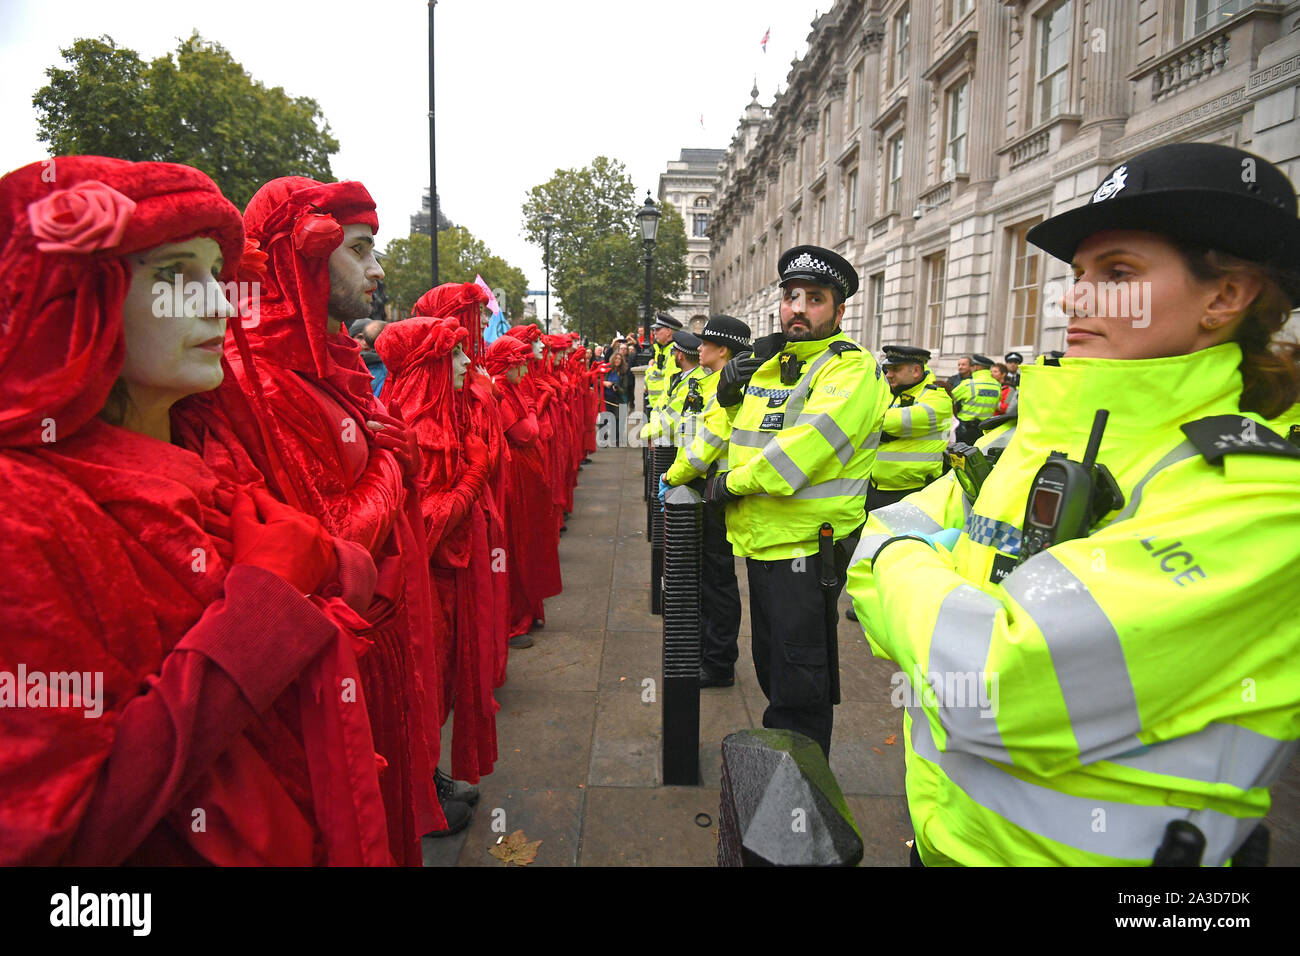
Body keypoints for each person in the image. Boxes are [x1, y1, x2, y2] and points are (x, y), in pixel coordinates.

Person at [846, 141, 1300, 866]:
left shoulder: (1266, 492)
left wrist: (898, 565)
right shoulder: (1033, 435)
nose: (1071, 299)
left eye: (1117, 274)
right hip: (944, 842)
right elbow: (886, 542)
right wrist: (922, 590)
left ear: (1225, 296)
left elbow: (992, 684)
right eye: (1080, 274)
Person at [0, 156, 392, 865]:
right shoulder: (23, 514)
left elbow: (338, 560)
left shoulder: (208, 447)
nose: (217, 303)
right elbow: (58, 837)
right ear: (73, 296)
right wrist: (265, 609)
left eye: (215, 273)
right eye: (174, 277)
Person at [203, 176, 462, 856]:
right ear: (305, 254)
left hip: (383, 642)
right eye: (360, 249)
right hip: (344, 658)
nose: (377, 271)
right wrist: (388, 460)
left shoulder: (324, 364)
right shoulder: (261, 376)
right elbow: (330, 536)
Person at [709, 245, 890, 756]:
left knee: (800, 680)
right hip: (764, 541)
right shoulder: (773, 363)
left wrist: (730, 484)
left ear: (838, 311)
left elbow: (801, 450)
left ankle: (803, 800)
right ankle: (779, 769)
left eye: (815, 298)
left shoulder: (851, 370)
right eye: (791, 296)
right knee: (771, 665)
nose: (799, 308)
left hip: (809, 549)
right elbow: (741, 430)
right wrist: (727, 396)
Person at [661, 314, 752, 687]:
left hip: (713, 491)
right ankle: (708, 651)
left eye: (705, 343)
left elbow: (706, 446)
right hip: (706, 489)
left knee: (716, 580)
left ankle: (718, 662)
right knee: (705, 578)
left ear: (723, 349)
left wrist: (672, 476)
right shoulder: (712, 382)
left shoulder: (726, 388)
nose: (698, 348)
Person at [950, 353, 1001, 443]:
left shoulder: (969, 384)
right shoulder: (997, 385)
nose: (971, 368)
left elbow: (949, 398)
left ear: (978, 367)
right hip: (985, 430)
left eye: (973, 366)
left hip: (965, 430)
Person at [643, 313, 682, 413]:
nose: (654, 332)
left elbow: (671, 381)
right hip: (655, 404)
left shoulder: (674, 351)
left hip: (664, 407)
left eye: (658, 329)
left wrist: (650, 368)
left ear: (668, 331)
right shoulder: (661, 349)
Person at [602, 350, 633, 445]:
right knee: (605, 418)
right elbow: (598, 380)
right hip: (606, 397)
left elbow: (625, 388)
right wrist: (604, 383)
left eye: (619, 358)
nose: (617, 360)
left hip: (618, 398)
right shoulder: (607, 370)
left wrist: (617, 388)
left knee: (618, 419)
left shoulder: (624, 372)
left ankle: (617, 439)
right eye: (616, 358)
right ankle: (603, 438)